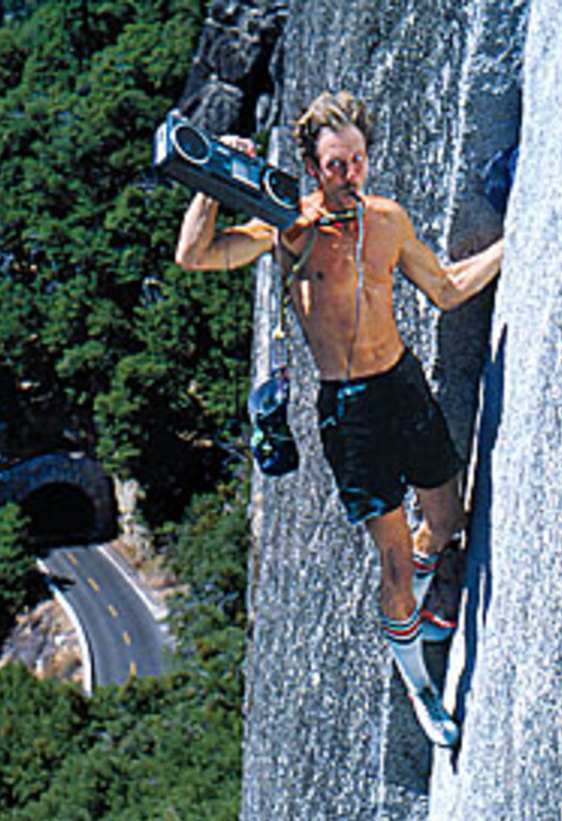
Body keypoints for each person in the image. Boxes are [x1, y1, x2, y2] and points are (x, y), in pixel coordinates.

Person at [175, 90, 503, 747]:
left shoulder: (387, 220)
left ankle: (421, 597)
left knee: (445, 520)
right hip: (349, 411)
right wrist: (212, 182)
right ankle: (421, 688)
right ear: (310, 165)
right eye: (335, 164)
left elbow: (443, 288)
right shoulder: (285, 228)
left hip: (402, 385)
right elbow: (195, 255)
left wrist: (516, 243)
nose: (350, 173)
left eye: (357, 159)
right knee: (390, 567)